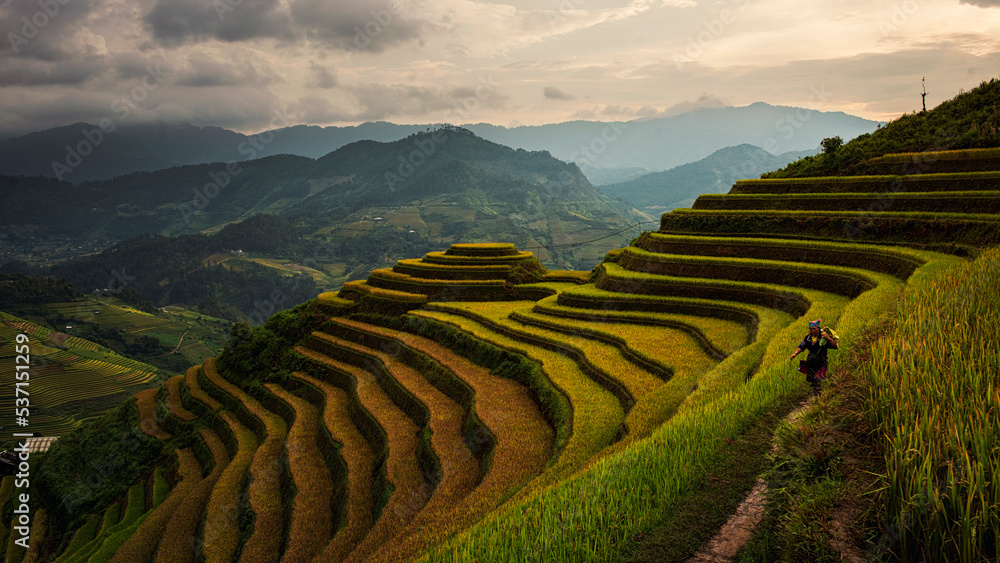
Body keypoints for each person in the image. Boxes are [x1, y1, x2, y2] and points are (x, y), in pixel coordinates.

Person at [790, 318, 839, 395]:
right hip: (811, 359)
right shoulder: (808, 338)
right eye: (811, 329)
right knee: (812, 376)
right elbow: (802, 346)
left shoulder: (823, 338)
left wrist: (828, 338)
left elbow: (835, 346)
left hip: (821, 359)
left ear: (818, 328)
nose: (813, 330)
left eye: (814, 329)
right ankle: (816, 389)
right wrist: (795, 353)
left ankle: (817, 392)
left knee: (818, 376)